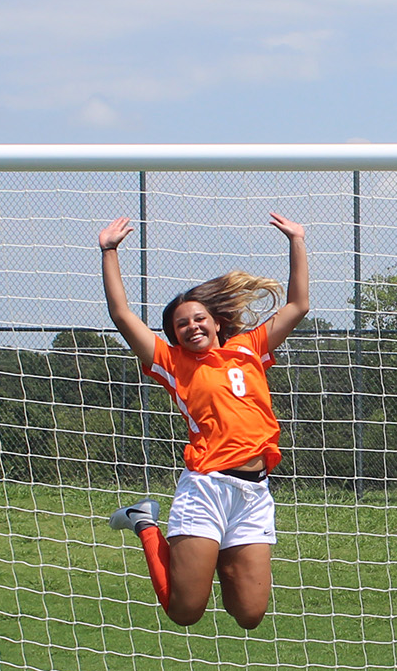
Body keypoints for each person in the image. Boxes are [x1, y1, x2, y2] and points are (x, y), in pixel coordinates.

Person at [97, 213, 310, 629]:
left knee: (249, 614)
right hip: (207, 489)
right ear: (173, 335)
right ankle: (145, 523)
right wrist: (109, 251)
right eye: (181, 324)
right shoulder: (173, 363)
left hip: (253, 494)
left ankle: (211, 555)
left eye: (198, 318)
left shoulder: (250, 348)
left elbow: (299, 305)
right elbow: (122, 315)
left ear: (216, 322)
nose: (191, 326)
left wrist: (297, 240)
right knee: (185, 611)